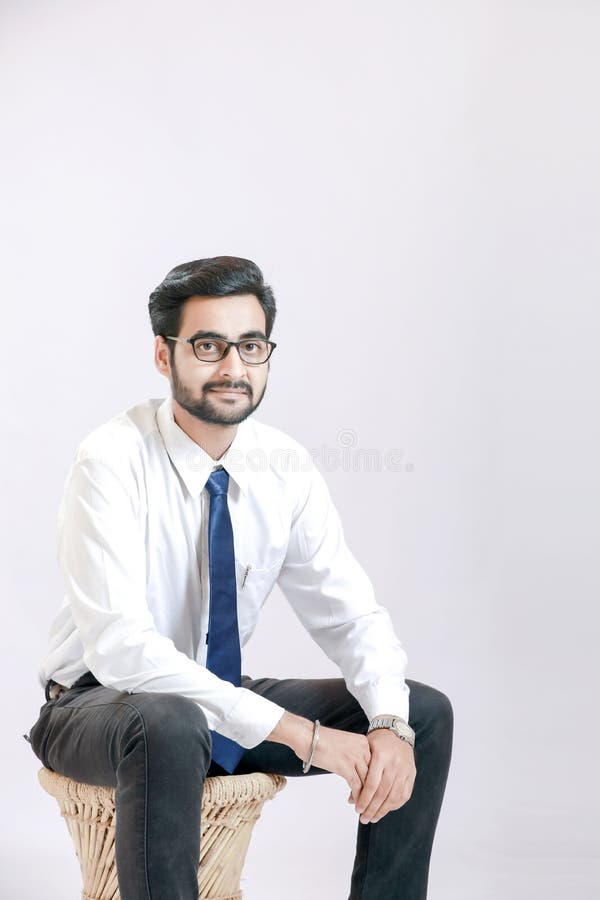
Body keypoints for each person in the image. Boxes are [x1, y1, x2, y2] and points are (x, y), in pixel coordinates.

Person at [25, 256, 453, 899]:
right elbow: (122, 650)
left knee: (422, 709)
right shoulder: (109, 460)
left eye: (250, 346)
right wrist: (308, 738)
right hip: (96, 704)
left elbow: (349, 612)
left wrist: (388, 724)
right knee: (168, 720)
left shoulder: (284, 466)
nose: (233, 368)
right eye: (208, 346)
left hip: (211, 693)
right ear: (164, 356)